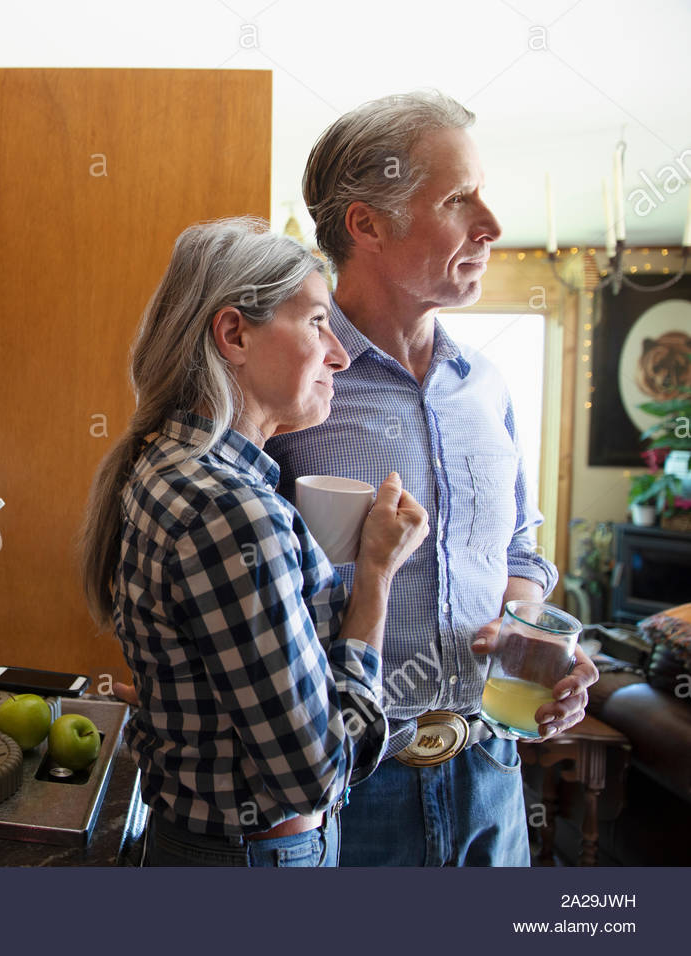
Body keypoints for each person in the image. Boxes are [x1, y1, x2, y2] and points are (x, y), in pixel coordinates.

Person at [264, 91, 600, 866]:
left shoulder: (488, 385)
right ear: (367, 224)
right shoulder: (287, 386)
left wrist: (534, 639)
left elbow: (518, 553)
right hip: (346, 784)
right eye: (458, 198)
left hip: (492, 775)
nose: (492, 224)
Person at [79, 217, 428, 866]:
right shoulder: (233, 510)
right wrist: (376, 577)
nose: (340, 355)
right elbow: (318, 773)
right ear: (234, 334)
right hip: (255, 857)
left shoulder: (165, 468)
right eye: (318, 322)